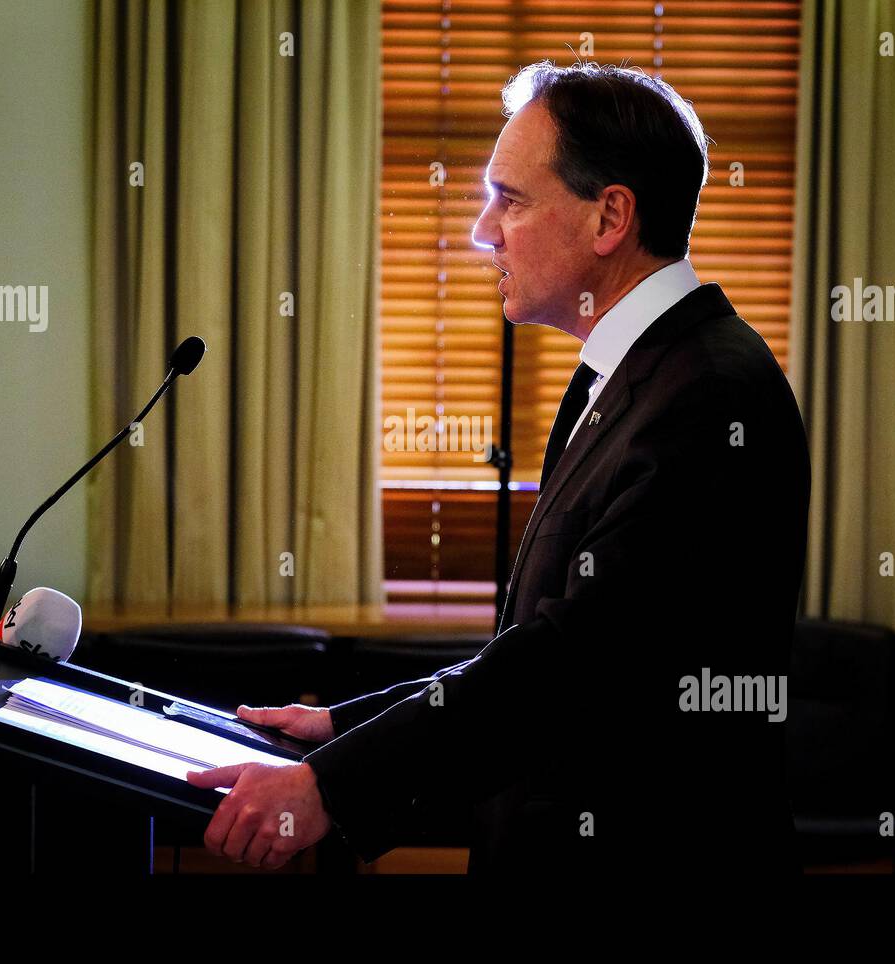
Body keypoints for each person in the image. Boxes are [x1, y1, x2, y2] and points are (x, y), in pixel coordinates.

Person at [187, 61, 811, 875]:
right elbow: (542, 643)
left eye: (509, 199)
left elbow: (570, 665)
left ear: (610, 216)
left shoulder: (708, 393)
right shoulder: (635, 373)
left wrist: (330, 787)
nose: (484, 231)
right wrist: (346, 729)